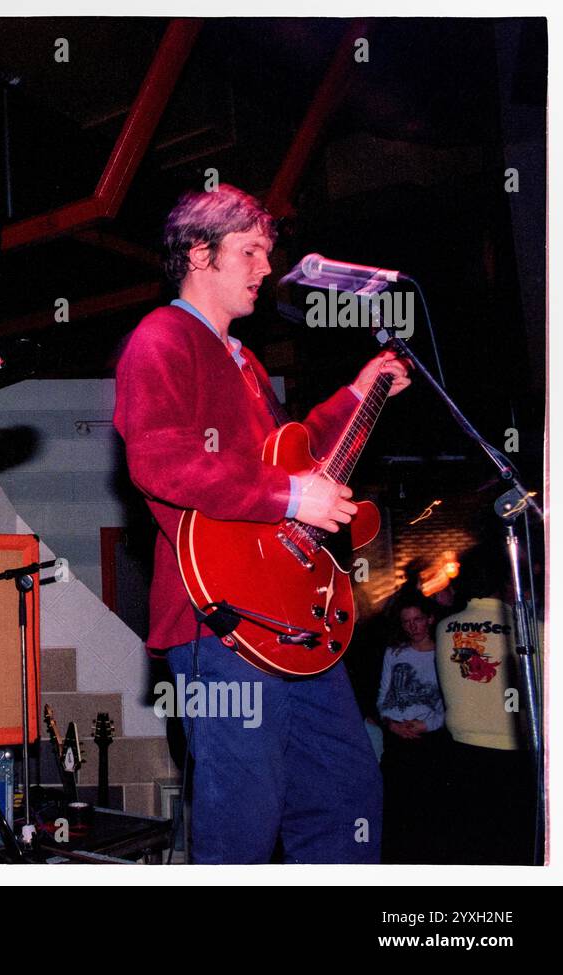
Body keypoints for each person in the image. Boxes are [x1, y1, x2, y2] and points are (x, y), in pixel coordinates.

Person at [112, 184, 411, 863]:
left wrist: (358, 395)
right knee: (243, 814)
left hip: (290, 616)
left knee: (345, 787)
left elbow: (291, 454)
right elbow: (160, 462)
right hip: (219, 620)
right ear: (198, 253)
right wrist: (287, 498)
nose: (264, 269)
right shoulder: (162, 337)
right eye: (249, 251)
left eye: (266, 253)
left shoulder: (244, 362)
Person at [434, 541, 534, 864]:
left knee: (473, 844)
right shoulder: (527, 626)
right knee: (513, 845)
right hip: (513, 752)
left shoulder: (444, 628)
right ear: (505, 584)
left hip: (461, 750)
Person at [376, 596, 454, 863]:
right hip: (397, 741)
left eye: (417, 620)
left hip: (429, 742)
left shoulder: (443, 654)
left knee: (430, 813)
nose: (413, 627)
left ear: (429, 619)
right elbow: (383, 696)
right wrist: (390, 724)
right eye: (406, 622)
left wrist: (428, 724)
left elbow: (451, 702)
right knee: (398, 812)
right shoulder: (394, 653)